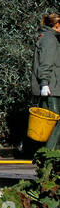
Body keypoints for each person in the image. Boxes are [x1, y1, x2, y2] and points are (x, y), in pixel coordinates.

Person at [32, 13, 60, 148]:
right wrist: (44, 83)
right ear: (57, 25)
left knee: (51, 123)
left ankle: (51, 153)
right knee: (55, 121)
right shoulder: (50, 40)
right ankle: (50, 153)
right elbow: (46, 64)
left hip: (52, 86)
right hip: (52, 88)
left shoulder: (48, 38)